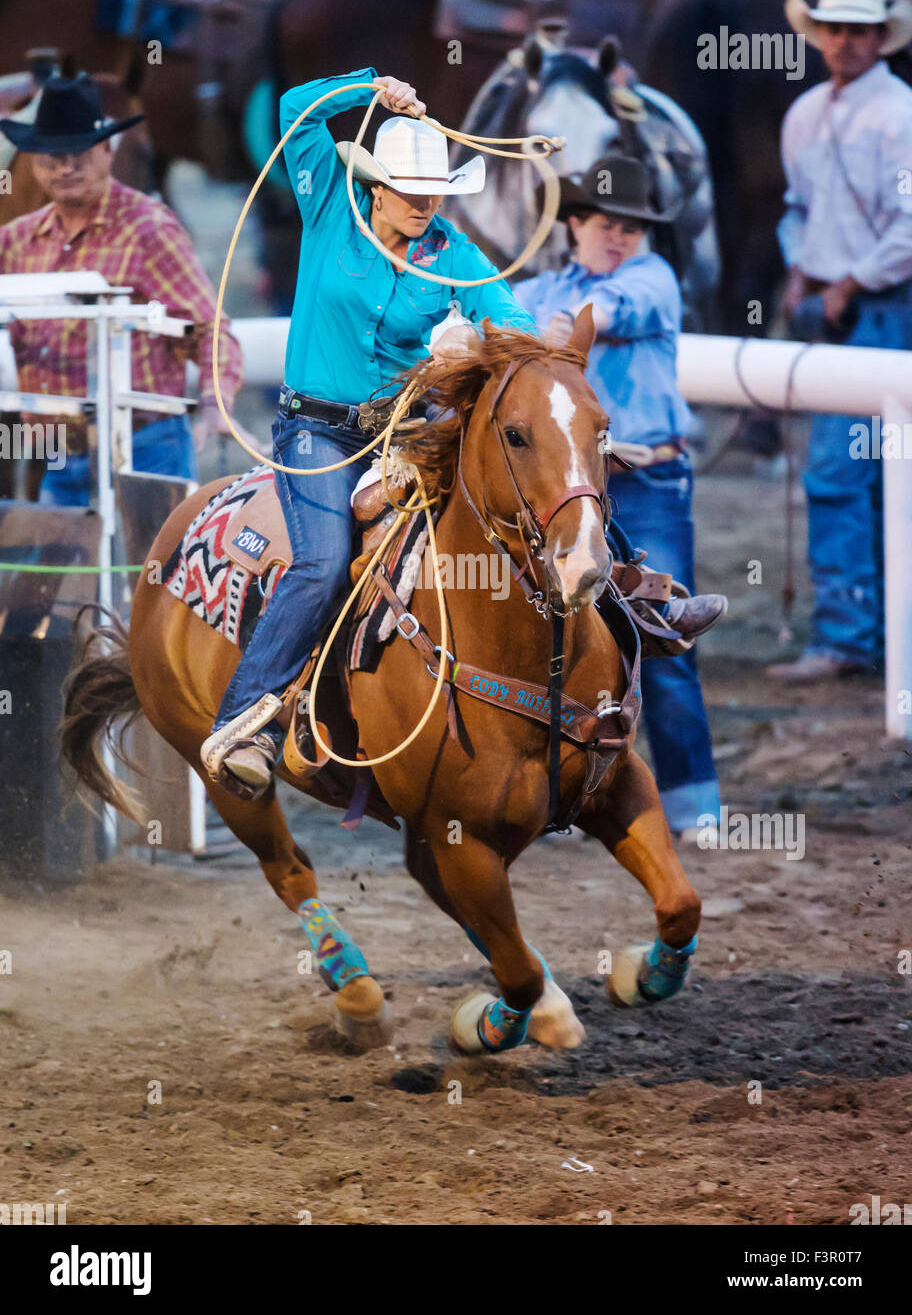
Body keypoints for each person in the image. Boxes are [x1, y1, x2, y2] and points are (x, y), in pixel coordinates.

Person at [200, 69, 726, 798]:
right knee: (321, 564)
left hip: (407, 428)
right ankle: (247, 721)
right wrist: (371, 88)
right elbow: (296, 109)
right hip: (318, 432)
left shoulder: (453, 254)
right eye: (411, 192)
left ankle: (641, 598)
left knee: (536, 480)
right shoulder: (328, 207)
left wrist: (516, 346)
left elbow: (504, 313)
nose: (424, 204)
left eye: (435, 192)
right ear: (375, 186)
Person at [513, 155, 724, 837]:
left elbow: (610, 311)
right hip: (578, 488)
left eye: (631, 227)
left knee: (654, 634)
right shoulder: (545, 288)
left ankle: (693, 802)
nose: (620, 237)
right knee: (566, 639)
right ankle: (578, 793)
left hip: (644, 483)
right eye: (607, 223)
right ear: (575, 223)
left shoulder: (649, 279)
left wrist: (554, 328)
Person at [0, 72, 245, 503]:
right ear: (34, 162)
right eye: (50, 156)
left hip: (143, 442)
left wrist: (214, 404)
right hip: (55, 447)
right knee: (66, 567)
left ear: (106, 151)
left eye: (77, 153)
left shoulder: (148, 230)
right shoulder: (17, 240)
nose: (64, 167)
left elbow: (208, 327)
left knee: (147, 564)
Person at [768, 0, 912, 684]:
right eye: (835, 29)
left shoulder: (900, 113)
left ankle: (848, 635)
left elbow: (910, 225)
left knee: (838, 472)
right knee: (869, 474)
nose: (846, 42)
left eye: (859, 30)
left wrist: (847, 281)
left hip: (883, 307)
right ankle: (874, 632)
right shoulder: (803, 114)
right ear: (819, 34)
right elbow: (796, 207)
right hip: (831, 303)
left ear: (880, 37)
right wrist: (800, 270)